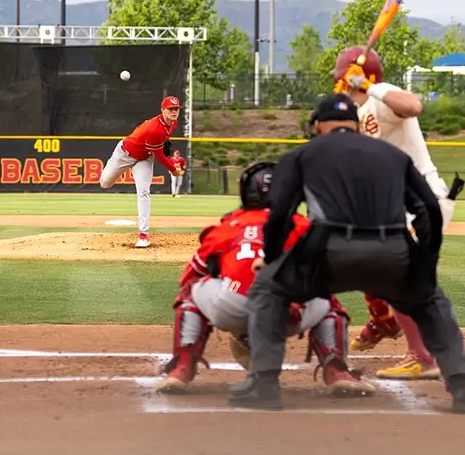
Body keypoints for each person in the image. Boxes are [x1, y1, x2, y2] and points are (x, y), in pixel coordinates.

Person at [228, 93, 465, 414]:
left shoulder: (304, 154)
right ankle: (463, 386)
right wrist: (424, 262)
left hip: (329, 252)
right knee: (430, 301)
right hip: (393, 250)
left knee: (268, 289)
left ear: (319, 126)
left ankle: (264, 384)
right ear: (355, 125)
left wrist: (272, 260)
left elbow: (280, 214)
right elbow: (428, 210)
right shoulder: (391, 154)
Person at [156, 161, 375, 397]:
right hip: (290, 313)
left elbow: (192, 272)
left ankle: (181, 367)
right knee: (325, 295)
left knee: (191, 291)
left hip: (232, 308)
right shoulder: (302, 225)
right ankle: (337, 372)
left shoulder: (230, 225)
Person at [333, 46, 465, 381]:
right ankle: (384, 321)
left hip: (421, 199)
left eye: (342, 75)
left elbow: (414, 105)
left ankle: (421, 356)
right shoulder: (351, 111)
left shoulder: (382, 96)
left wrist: (370, 85)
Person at [99, 96, 184, 247]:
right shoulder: (154, 128)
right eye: (170, 109)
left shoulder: (173, 123)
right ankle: (112, 166)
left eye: (176, 109)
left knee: (143, 192)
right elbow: (161, 156)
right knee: (105, 184)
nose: (174, 112)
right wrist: (173, 170)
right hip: (124, 154)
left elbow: (158, 147)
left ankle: (143, 235)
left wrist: (161, 142)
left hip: (144, 158)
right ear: (162, 110)